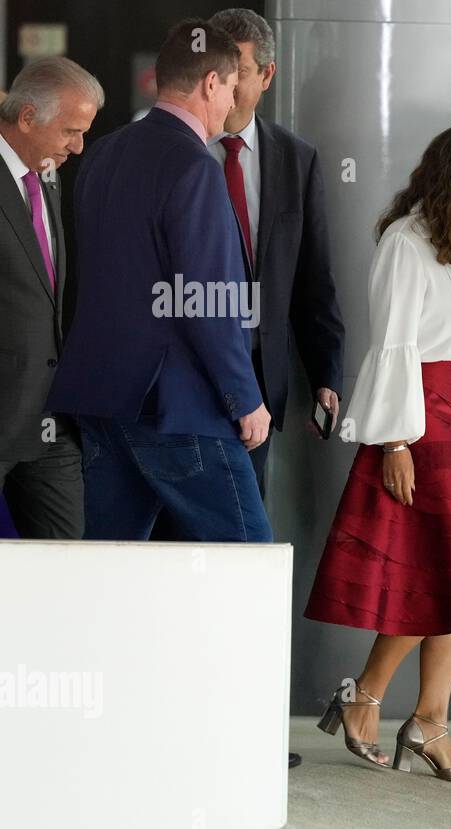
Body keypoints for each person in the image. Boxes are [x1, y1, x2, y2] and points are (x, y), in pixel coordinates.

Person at [304, 123, 451, 787]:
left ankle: (426, 717)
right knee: (443, 574)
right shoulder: (405, 241)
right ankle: (370, 699)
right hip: (422, 422)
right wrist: (394, 438)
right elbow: (393, 343)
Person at [46, 18, 272, 543]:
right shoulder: (194, 166)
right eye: (232, 88)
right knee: (248, 566)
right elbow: (206, 299)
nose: (232, 104)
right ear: (211, 83)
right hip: (178, 407)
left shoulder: (103, 153)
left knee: (111, 570)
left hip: (103, 400)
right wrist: (246, 399)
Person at [207, 8, 345, 497]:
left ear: (267, 75)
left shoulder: (295, 158)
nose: (221, 83)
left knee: (244, 526)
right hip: (180, 381)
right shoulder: (175, 148)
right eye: (214, 69)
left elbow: (313, 278)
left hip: (258, 380)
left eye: (237, 72)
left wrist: (326, 374)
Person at [0, 56, 101, 539]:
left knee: (65, 566)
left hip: (50, 420)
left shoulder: (47, 175)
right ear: (26, 117)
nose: (78, 147)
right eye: (70, 132)